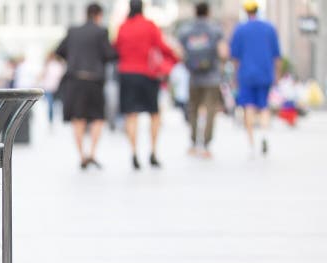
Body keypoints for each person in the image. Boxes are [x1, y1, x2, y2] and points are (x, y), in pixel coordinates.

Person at [114, 0, 179, 169]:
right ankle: (153, 151)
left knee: (131, 115)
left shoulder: (123, 27)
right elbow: (162, 47)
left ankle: (134, 152)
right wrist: (175, 57)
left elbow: (116, 49)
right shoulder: (150, 26)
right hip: (147, 75)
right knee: (154, 114)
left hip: (127, 74)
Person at [55, 2, 118, 169]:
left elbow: (59, 51)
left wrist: (73, 58)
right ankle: (92, 153)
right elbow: (110, 54)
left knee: (78, 118)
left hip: (75, 80)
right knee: (98, 118)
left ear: (86, 14)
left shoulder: (73, 31)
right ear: (99, 15)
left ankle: (81, 155)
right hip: (94, 81)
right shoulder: (101, 31)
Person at [230, 0, 281, 156]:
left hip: (246, 74)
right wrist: (276, 75)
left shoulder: (240, 30)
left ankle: (252, 144)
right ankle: (264, 135)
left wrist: (235, 77)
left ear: (245, 12)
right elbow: (276, 56)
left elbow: (235, 58)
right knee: (264, 106)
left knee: (248, 107)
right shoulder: (269, 29)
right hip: (265, 73)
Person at [178, 2, 226, 158]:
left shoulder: (186, 30)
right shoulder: (215, 29)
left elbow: (179, 52)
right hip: (212, 77)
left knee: (193, 110)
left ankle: (193, 143)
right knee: (211, 110)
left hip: (194, 77)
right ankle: (206, 145)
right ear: (208, 12)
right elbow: (223, 52)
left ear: (195, 12)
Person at [40, 54, 65, 128]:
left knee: (57, 105)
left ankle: (56, 119)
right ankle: (51, 121)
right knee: (50, 105)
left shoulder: (58, 65)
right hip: (49, 88)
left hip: (56, 88)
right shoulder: (47, 66)